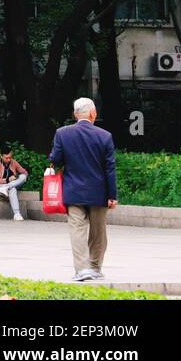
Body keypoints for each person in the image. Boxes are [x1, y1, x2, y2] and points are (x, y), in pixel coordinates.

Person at [48, 97, 118, 282]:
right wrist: (112, 195)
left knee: (77, 230)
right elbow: (109, 169)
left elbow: (55, 160)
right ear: (93, 114)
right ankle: (95, 267)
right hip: (99, 193)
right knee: (98, 232)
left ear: (75, 114)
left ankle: (81, 270)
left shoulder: (62, 133)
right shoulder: (105, 136)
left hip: (73, 192)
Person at [0, 146, 29, 220]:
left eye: (10, 157)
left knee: (23, 177)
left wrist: (16, 176)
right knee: (13, 189)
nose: (8, 159)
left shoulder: (13, 162)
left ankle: (7, 187)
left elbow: (25, 173)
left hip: (10, 185)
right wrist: (8, 180)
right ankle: (17, 214)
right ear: (1, 156)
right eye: (6, 158)